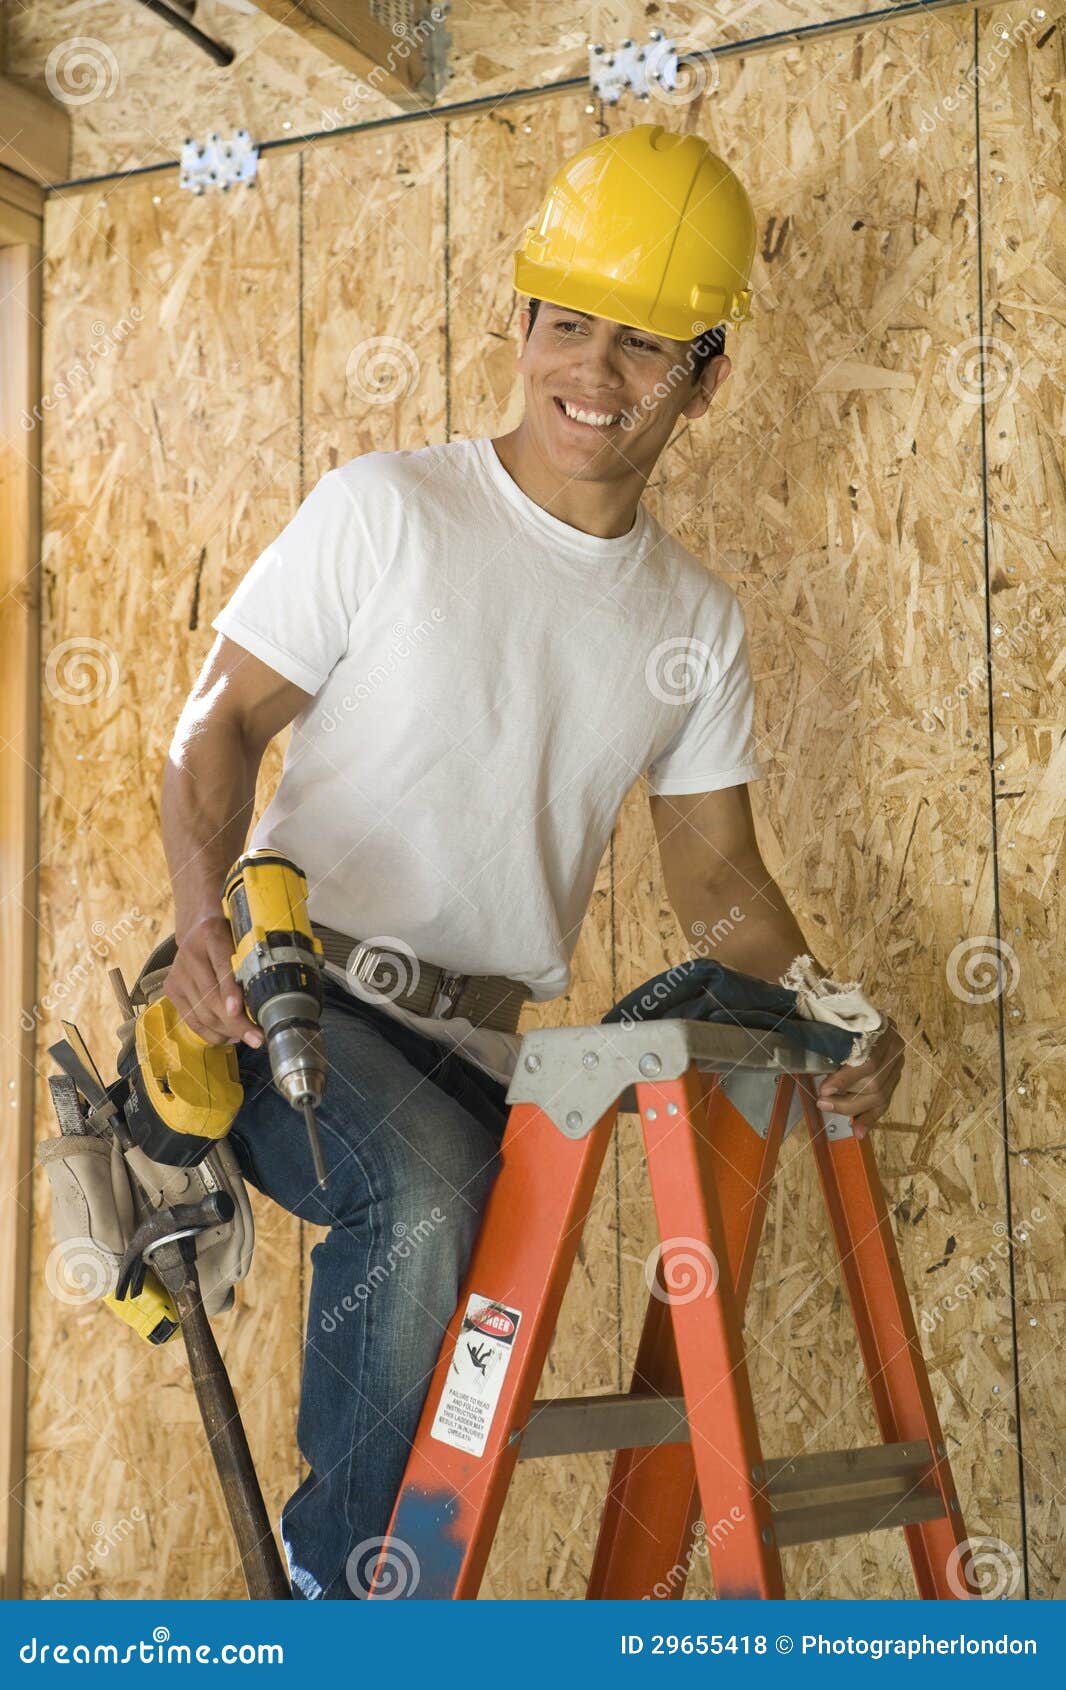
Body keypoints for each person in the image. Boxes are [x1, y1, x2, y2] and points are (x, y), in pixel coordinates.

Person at [160, 124, 904, 1599]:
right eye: (568, 324)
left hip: (478, 1058)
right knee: (429, 1191)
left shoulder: (693, 621)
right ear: (521, 324)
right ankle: (336, 1602)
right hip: (286, 1009)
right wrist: (198, 924)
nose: (594, 372)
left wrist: (836, 1006)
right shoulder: (389, 510)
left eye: (644, 345)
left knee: (707, 1034)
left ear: (706, 380)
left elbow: (720, 885)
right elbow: (217, 727)